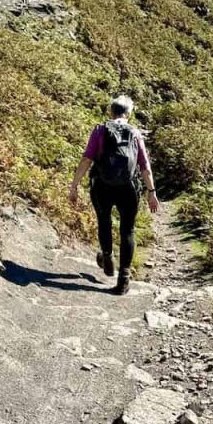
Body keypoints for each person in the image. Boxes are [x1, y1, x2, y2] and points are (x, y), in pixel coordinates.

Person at [69, 95, 159, 295]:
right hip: (128, 188)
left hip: (102, 185)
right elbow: (144, 166)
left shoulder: (100, 130)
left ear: (111, 112)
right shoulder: (135, 133)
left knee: (104, 221)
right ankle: (123, 280)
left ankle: (108, 257)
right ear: (129, 114)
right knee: (128, 230)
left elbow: (86, 159)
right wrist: (151, 192)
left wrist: (74, 186)